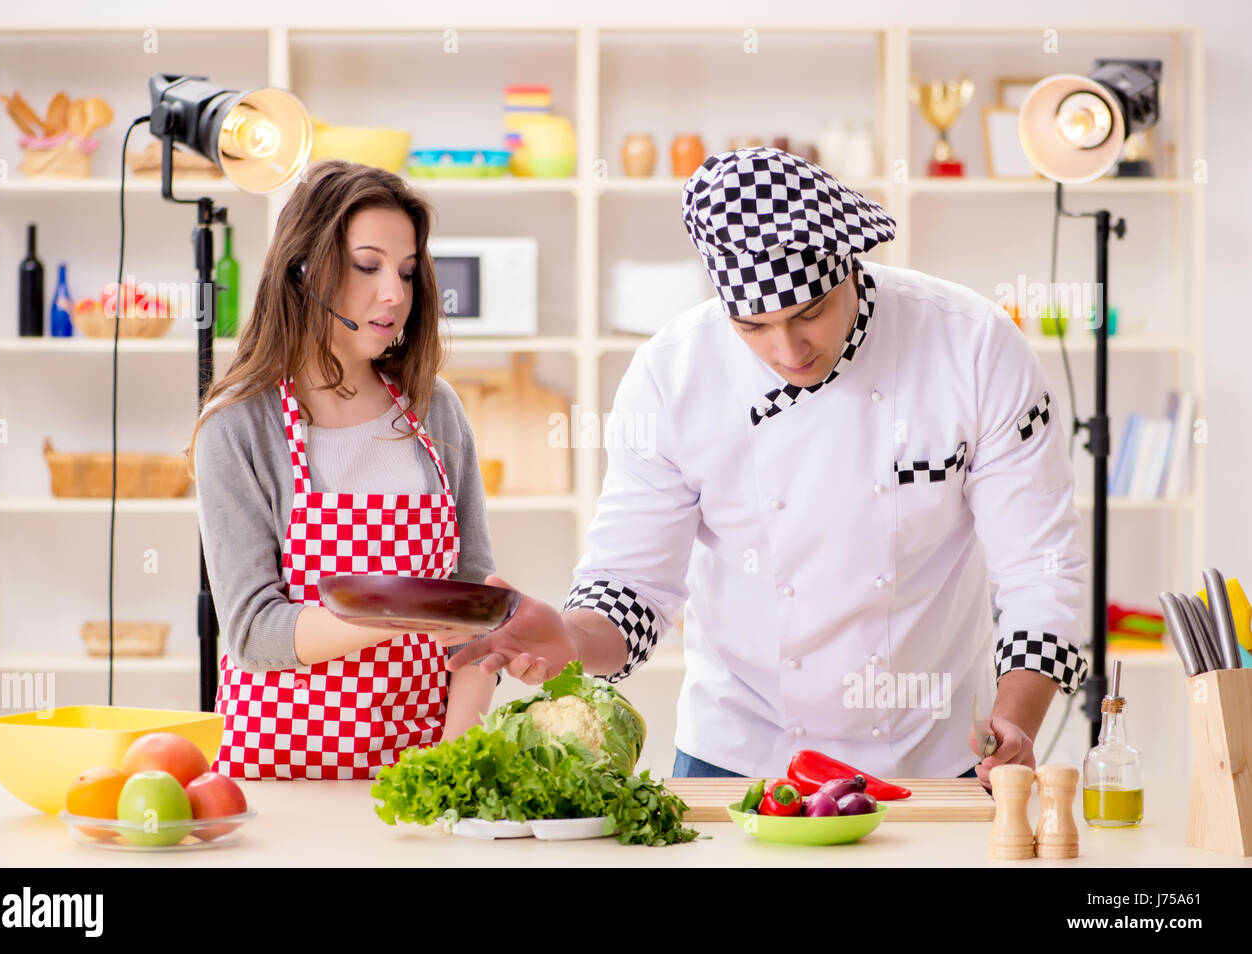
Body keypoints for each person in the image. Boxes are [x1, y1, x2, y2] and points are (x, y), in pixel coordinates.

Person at [452, 148, 1089, 788]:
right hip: (738, 760)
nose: (788, 350)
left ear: (851, 266)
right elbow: (633, 588)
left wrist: (1018, 721)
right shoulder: (672, 373)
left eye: (809, 313)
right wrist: (567, 635)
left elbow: (1040, 567)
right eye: (753, 325)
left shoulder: (971, 344)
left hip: (936, 756)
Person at [187, 159, 497, 780]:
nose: (395, 293)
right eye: (368, 265)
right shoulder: (238, 427)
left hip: (422, 771)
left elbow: (475, 614)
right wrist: (398, 613)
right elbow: (254, 632)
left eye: (408, 272)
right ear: (304, 272)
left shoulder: (436, 409)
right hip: (281, 777)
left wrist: (447, 769)